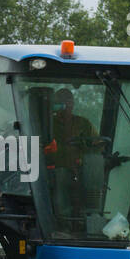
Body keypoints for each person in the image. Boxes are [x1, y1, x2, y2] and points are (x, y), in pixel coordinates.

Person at [44, 89, 99, 222]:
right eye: (61, 103)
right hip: (54, 174)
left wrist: (85, 152)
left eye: (68, 102)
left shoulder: (83, 124)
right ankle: (62, 223)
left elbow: (98, 146)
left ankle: (84, 223)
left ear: (73, 104)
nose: (66, 106)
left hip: (80, 174)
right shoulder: (48, 124)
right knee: (60, 196)